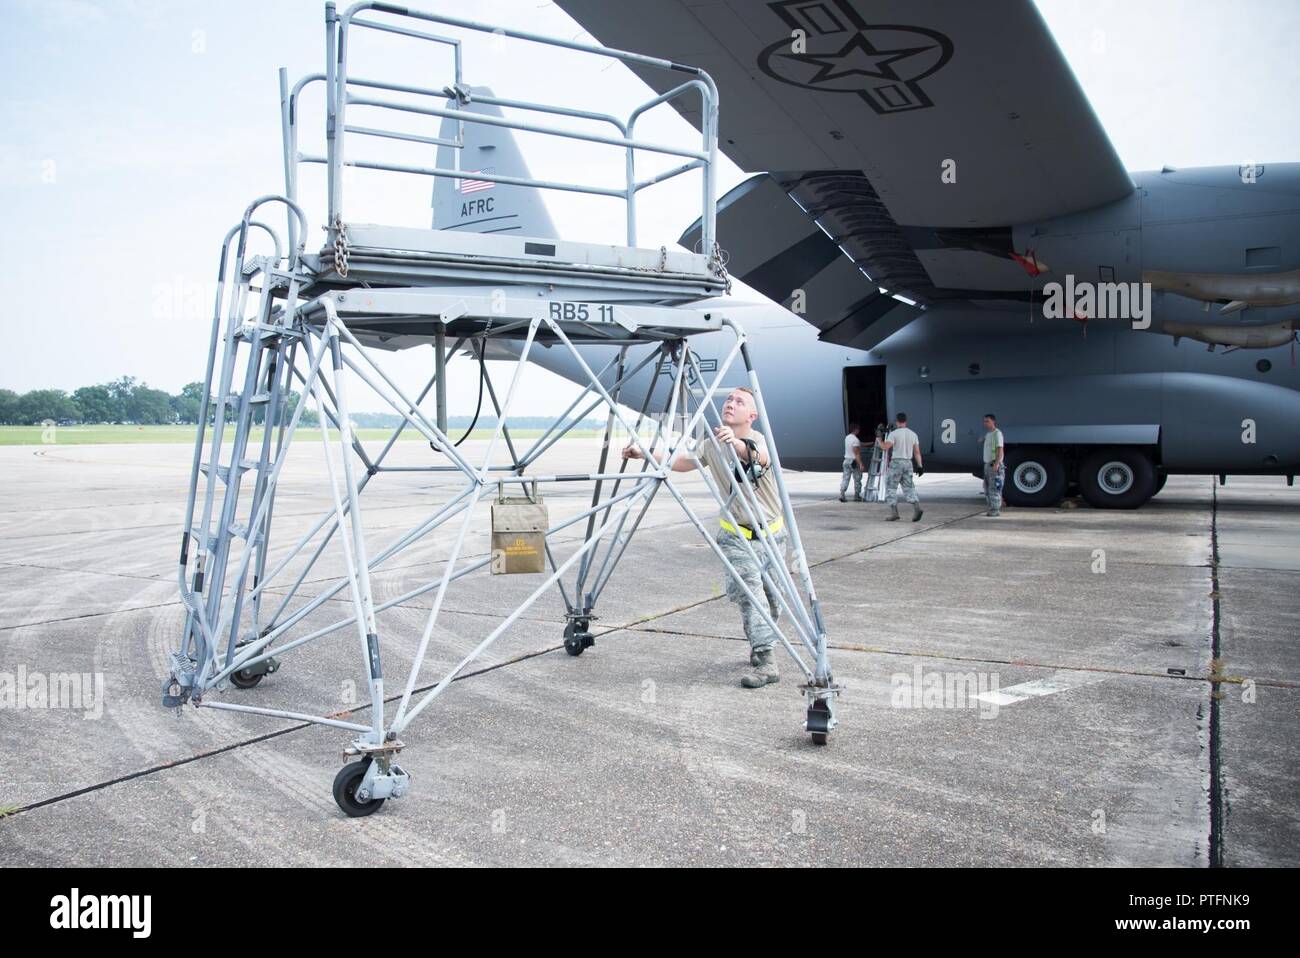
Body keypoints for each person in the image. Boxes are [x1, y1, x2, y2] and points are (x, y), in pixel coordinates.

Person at [622, 387, 786, 689]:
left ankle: (761, 644)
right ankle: (766, 661)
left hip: (773, 536)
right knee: (752, 597)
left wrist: (734, 443)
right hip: (736, 535)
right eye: (729, 400)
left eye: (739, 402)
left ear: (752, 415)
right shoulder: (711, 443)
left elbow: (759, 459)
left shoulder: (760, 441)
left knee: (774, 601)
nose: (730, 404)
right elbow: (685, 461)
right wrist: (643, 451)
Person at [877, 411, 923, 522]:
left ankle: (894, 513)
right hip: (908, 463)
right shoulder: (913, 434)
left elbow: (884, 447)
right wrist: (920, 466)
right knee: (909, 487)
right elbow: (917, 452)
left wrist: (879, 438)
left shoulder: (894, 434)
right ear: (905, 421)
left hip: (896, 463)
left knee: (891, 488)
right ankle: (917, 507)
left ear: (897, 421)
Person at [982, 413, 1005, 516]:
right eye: (984, 421)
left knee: (994, 488)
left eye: (987, 421)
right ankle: (992, 508)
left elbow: (1000, 449)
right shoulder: (988, 434)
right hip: (987, 464)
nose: (985, 423)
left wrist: (997, 464)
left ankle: (995, 510)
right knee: (987, 488)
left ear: (993, 421)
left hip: (993, 464)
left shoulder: (997, 434)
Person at [839, 423, 865, 502]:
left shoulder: (847, 438)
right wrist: (860, 464)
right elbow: (856, 453)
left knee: (845, 478)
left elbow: (859, 444)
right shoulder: (855, 440)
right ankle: (856, 496)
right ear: (856, 430)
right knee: (857, 479)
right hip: (853, 461)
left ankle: (842, 494)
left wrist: (870, 443)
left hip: (846, 460)